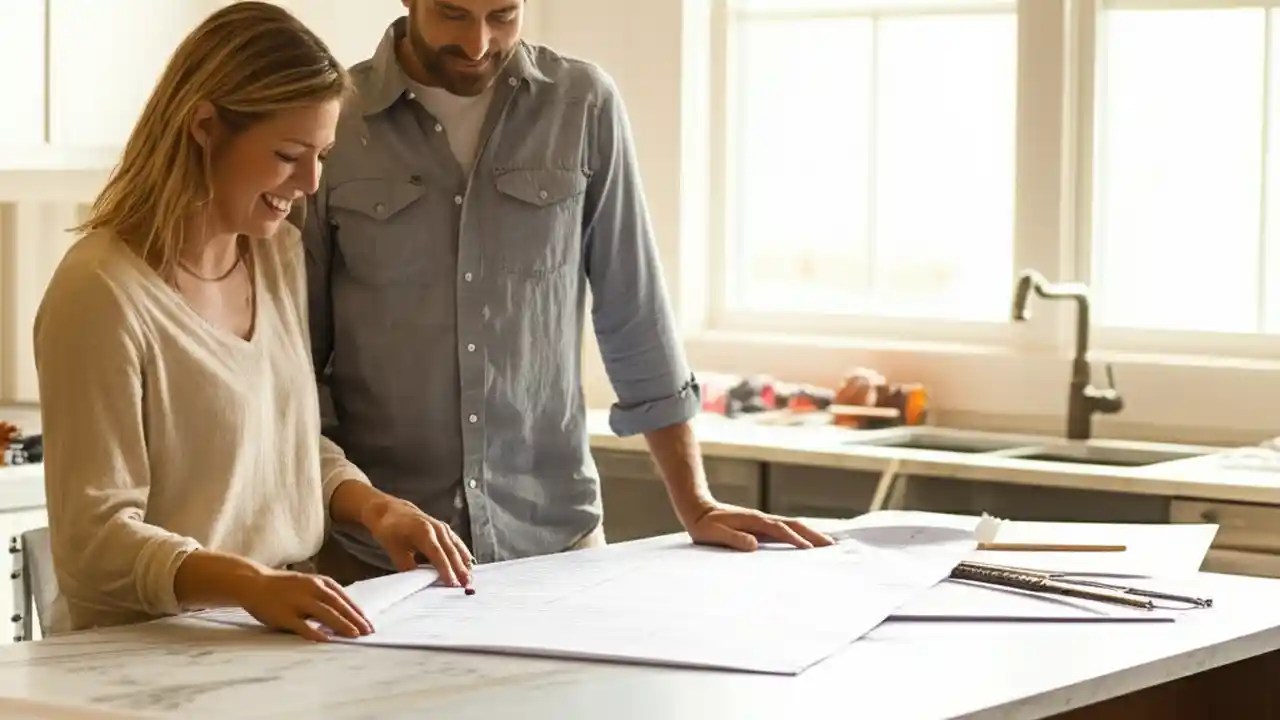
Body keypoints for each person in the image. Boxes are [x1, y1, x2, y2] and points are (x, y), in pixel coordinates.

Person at [304, 0, 834, 585]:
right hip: (376, 557)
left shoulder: (582, 104)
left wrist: (697, 503)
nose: (479, 43)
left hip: (555, 546)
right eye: (453, 14)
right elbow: (296, 356)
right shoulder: (336, 120)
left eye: (502, 15)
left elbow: (635, 311)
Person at [33, 2, 475, 642]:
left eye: (322, 154)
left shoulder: (276, 256)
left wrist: (375, 508)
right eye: (289, 154)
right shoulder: (99, 292)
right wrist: (249, 584)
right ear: (205, 127)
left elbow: (280, 449)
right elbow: (95, 543)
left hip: (271, 646)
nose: (311, 182)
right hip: (145, 666)